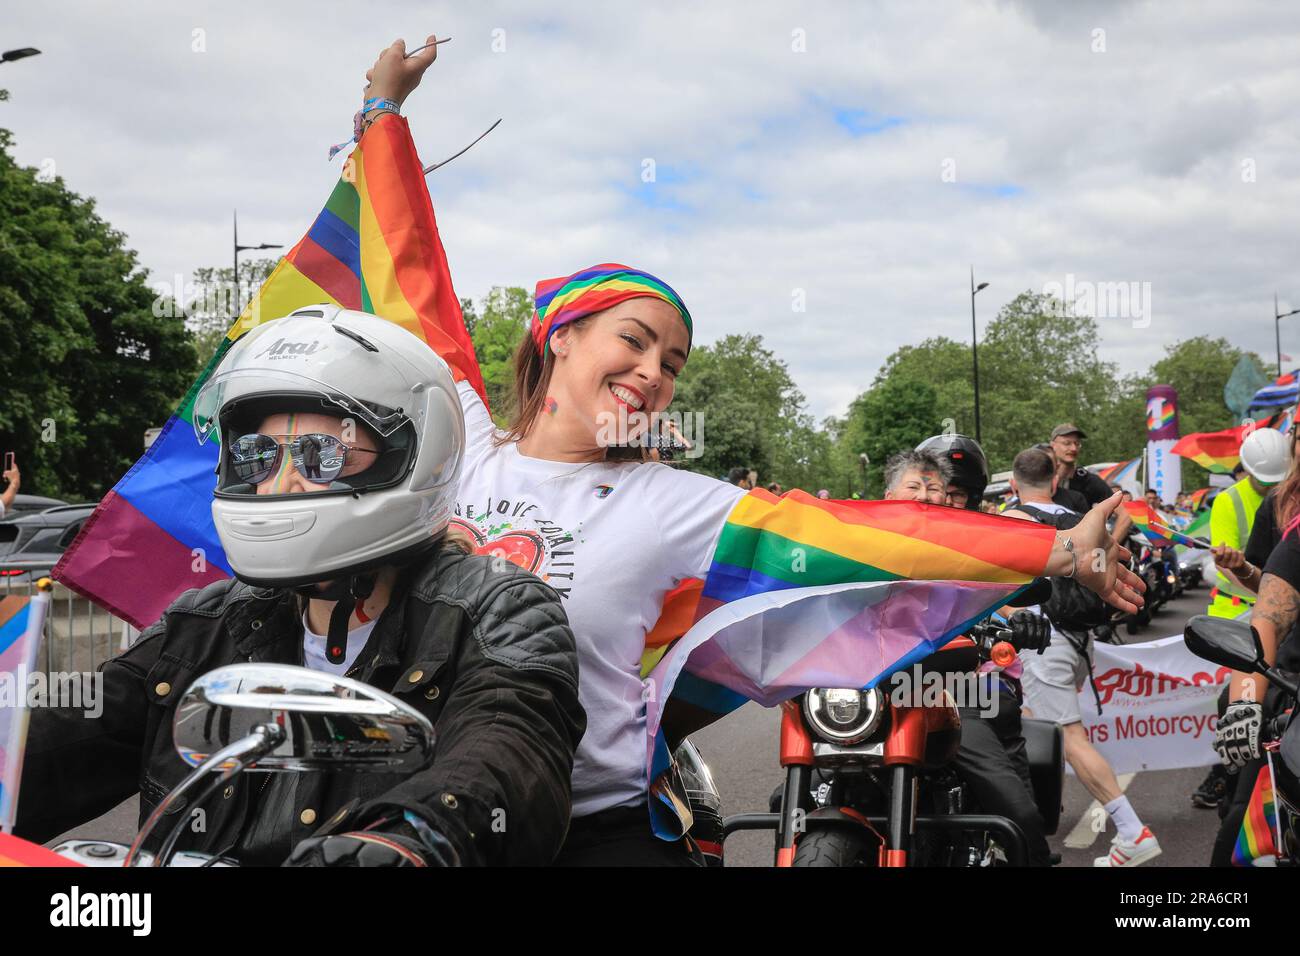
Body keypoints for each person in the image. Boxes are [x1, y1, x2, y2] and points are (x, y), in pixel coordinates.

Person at [347, 35, 1143, 864]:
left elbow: (858, 535)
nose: (653, 374)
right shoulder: (456, 445)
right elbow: (409, 284)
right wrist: (383, 116)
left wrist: (1053, 546)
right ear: (562, 336)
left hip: (597, 831)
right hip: (414, 828)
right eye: (635, 339)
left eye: (673, 363)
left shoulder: (670, 501)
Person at [16, 310, 586, 867]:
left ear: (412, 454)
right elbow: (64, 739)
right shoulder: (205, 621)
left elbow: (509, 746)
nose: (281, 482)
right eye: (257, 455)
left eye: (322, 455)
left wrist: (413, 839)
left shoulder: (500, 609)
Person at [1005, 447, 1161, 867]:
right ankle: (1023, 817)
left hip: (1045, 642)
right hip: (1079, 641)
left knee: (1070, 738)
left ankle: (1132, 832)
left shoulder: (1013, 521)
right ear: (1055, 482)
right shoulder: (1077, 519)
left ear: (1014, 485)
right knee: (1035, 725)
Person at [916, 434, 1054, 867]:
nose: (946, 502)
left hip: (966, 687)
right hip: (893, 686)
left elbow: (1011, 587)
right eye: (940, 491)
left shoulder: (992, 540)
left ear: (974, 498)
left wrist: (1017, 619)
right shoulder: (896, 542)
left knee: (1017, 812)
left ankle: (1029, 853)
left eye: (956, 494)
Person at [1206, 427, 1288, 619]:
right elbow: (1224, 563)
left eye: (1279, 481)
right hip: (1235, 611)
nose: (1274, 489)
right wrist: (1267, 594)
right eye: (1266, 483)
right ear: (1248, 470)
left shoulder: (1291, 496)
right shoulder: (1228, 500)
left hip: (1283, 609)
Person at [1050, 424, 1112, 507]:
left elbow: (1124, 512)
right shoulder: (1040, 477)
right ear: (1052, 445)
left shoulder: (1088, 480)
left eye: (1077, 443)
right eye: (1067, 443)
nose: (1073, 448)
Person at [880, 449, 948, 503]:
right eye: (913, 487)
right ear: (889, 497)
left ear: (945, 498)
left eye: (933, 489)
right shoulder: (870, 520)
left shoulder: (956, 521)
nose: (923, 497)